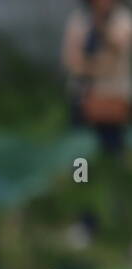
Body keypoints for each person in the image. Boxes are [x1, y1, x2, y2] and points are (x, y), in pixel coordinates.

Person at [63, 0, 132, 157]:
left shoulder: (122, 18)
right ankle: (81, 179)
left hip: (112, 96)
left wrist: (101, 27)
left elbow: (118, 49)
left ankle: (113, 177)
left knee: (114, 147)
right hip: (82, 96)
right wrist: (93, 67)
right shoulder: (80, 18)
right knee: (80, 151)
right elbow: (72, 60)